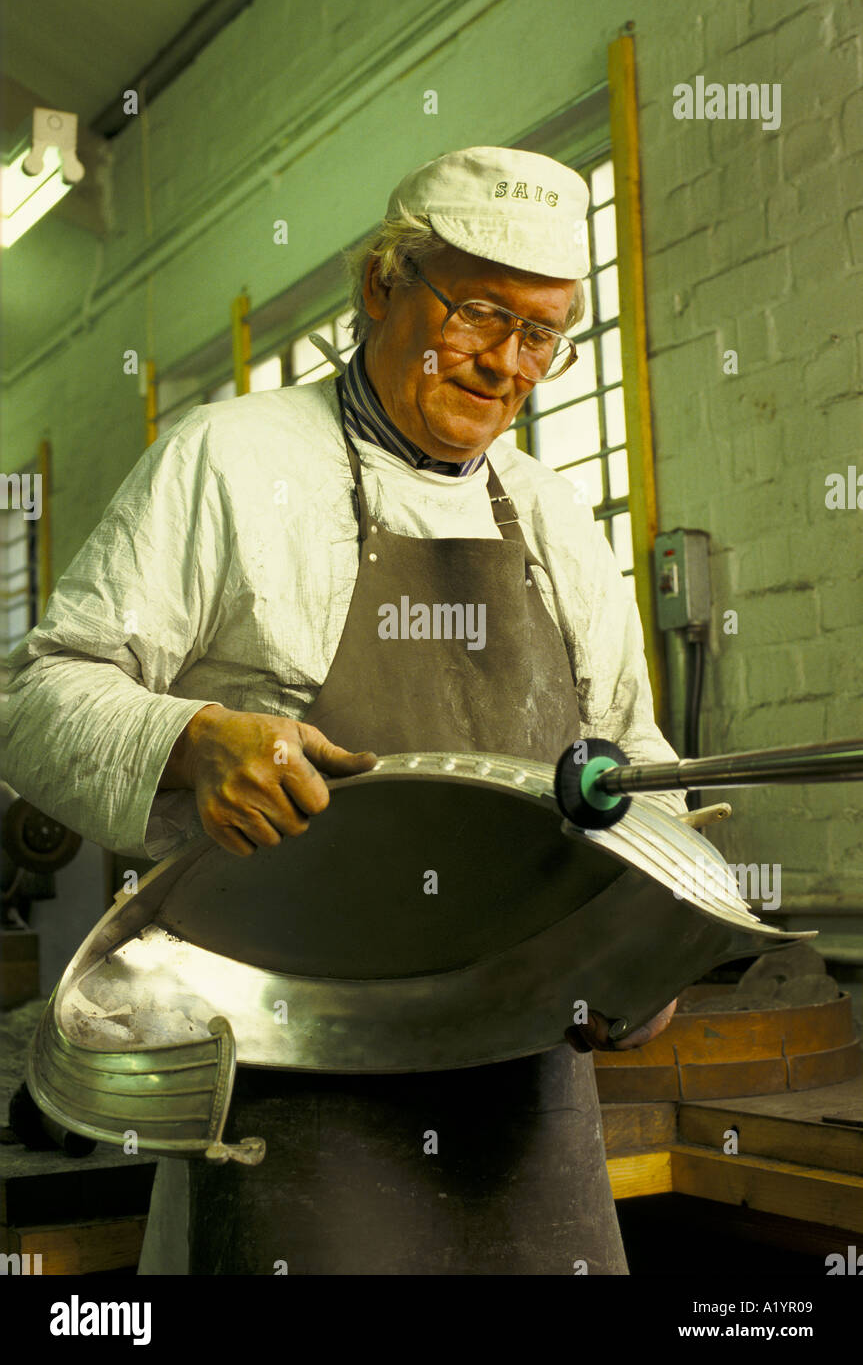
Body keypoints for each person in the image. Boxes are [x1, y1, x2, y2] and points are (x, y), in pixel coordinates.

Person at [1, 146, 685, 1275]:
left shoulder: (556, 520)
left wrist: (646, 954)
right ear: (380, 284)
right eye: (478, 314)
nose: (506, 365)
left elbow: (636, 771)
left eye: (541, 334)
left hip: (524, 1103)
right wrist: (188, 738)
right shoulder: (228, 461)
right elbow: (35, 693)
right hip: (286, 1082)